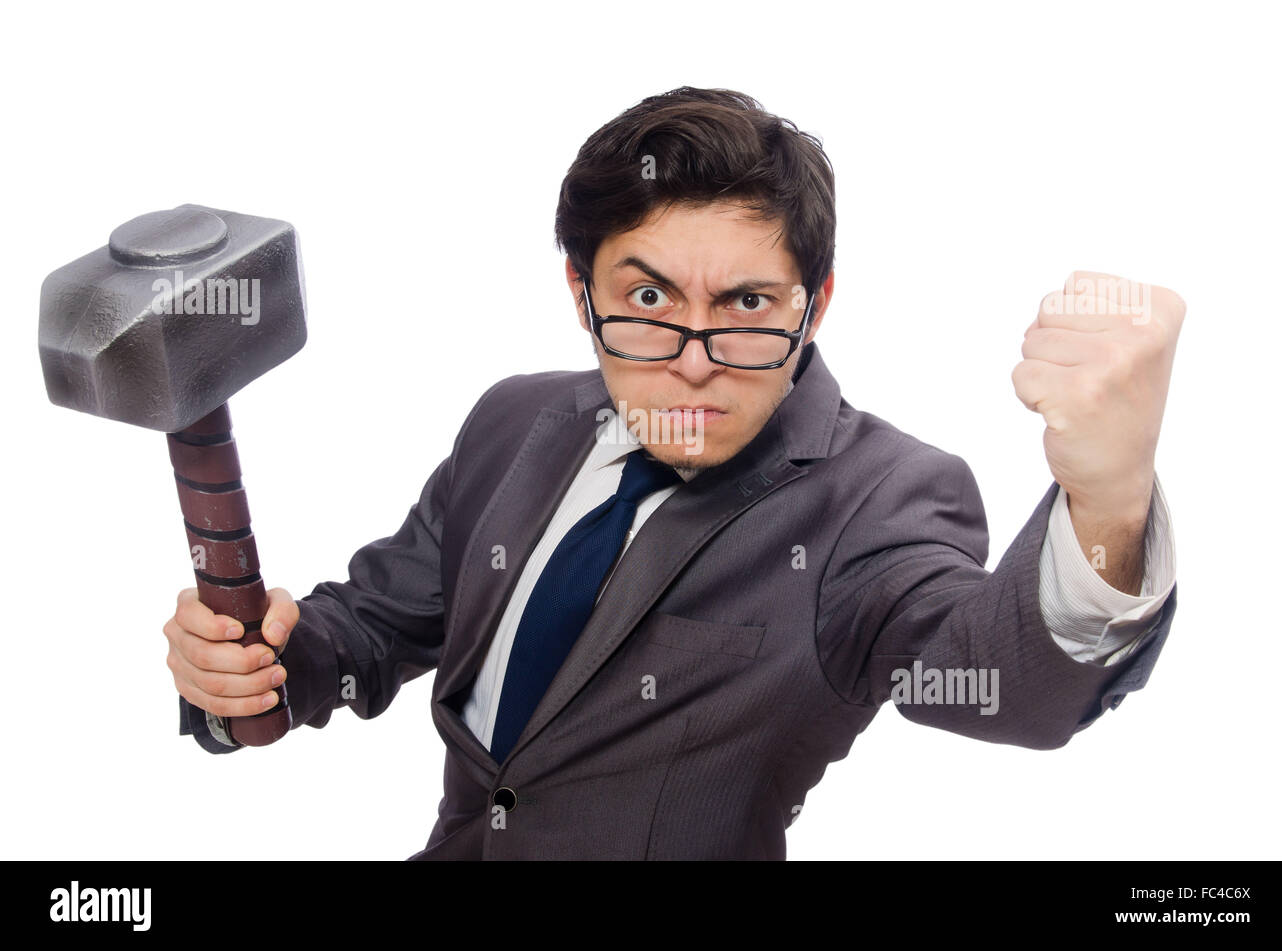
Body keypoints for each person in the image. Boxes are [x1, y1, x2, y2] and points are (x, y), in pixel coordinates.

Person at [162, 87, 1181, 860]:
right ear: (578, 289)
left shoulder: (881, 499)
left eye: (743, 307)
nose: (691, 358)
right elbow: (377, 625)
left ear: (812, 306)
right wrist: (261, 671)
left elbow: (1006, 684)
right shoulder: (515, 419)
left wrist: (1109, 498)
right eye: (646, 297)